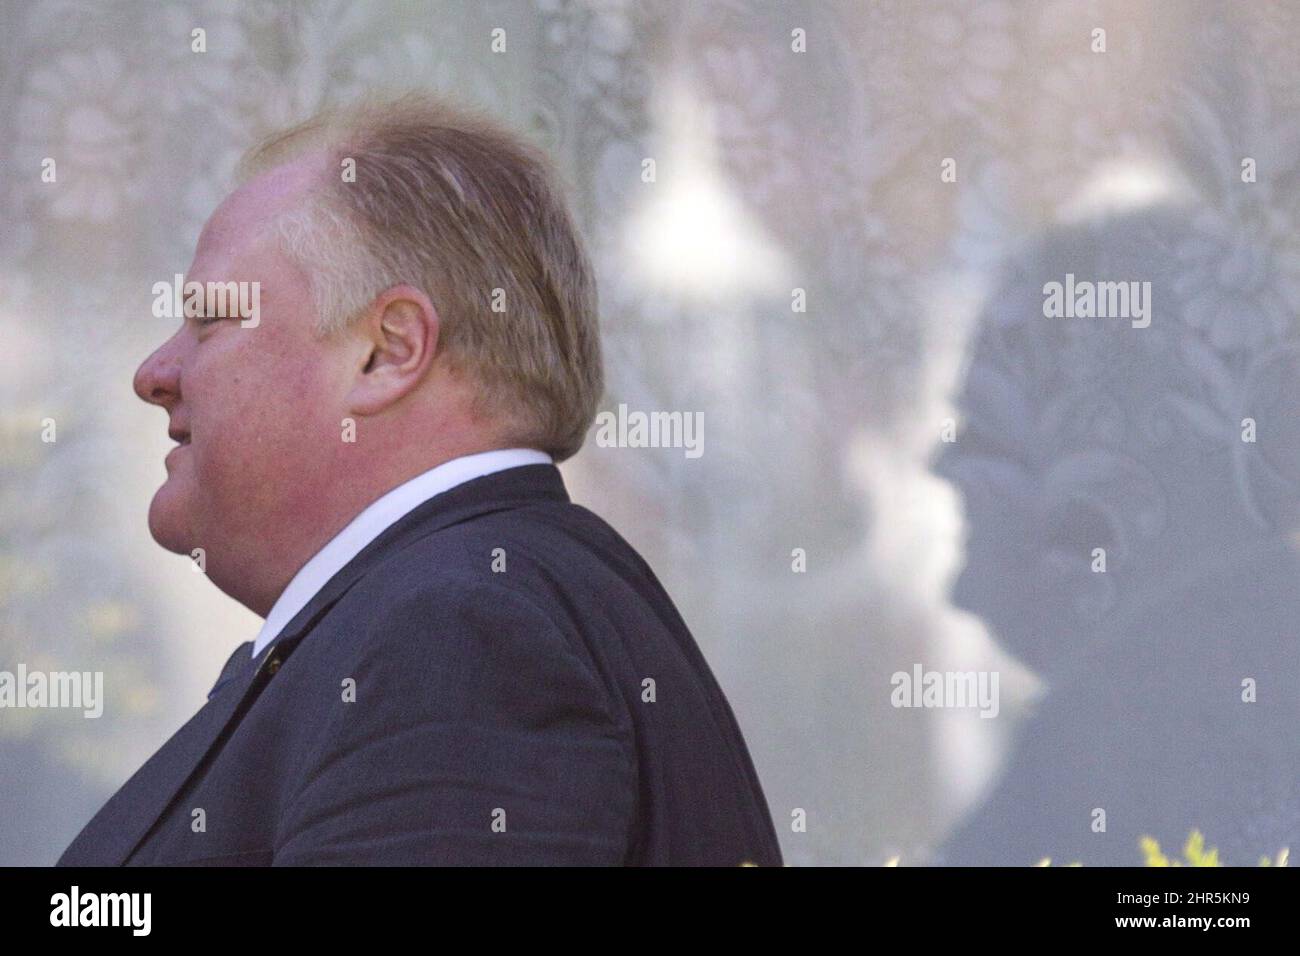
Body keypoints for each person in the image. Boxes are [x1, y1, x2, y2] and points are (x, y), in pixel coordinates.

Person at [57, 93, 782, 867]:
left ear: (388, 351)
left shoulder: (459, 632)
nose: (155, 373)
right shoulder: (464, 604)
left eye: (209, 318)